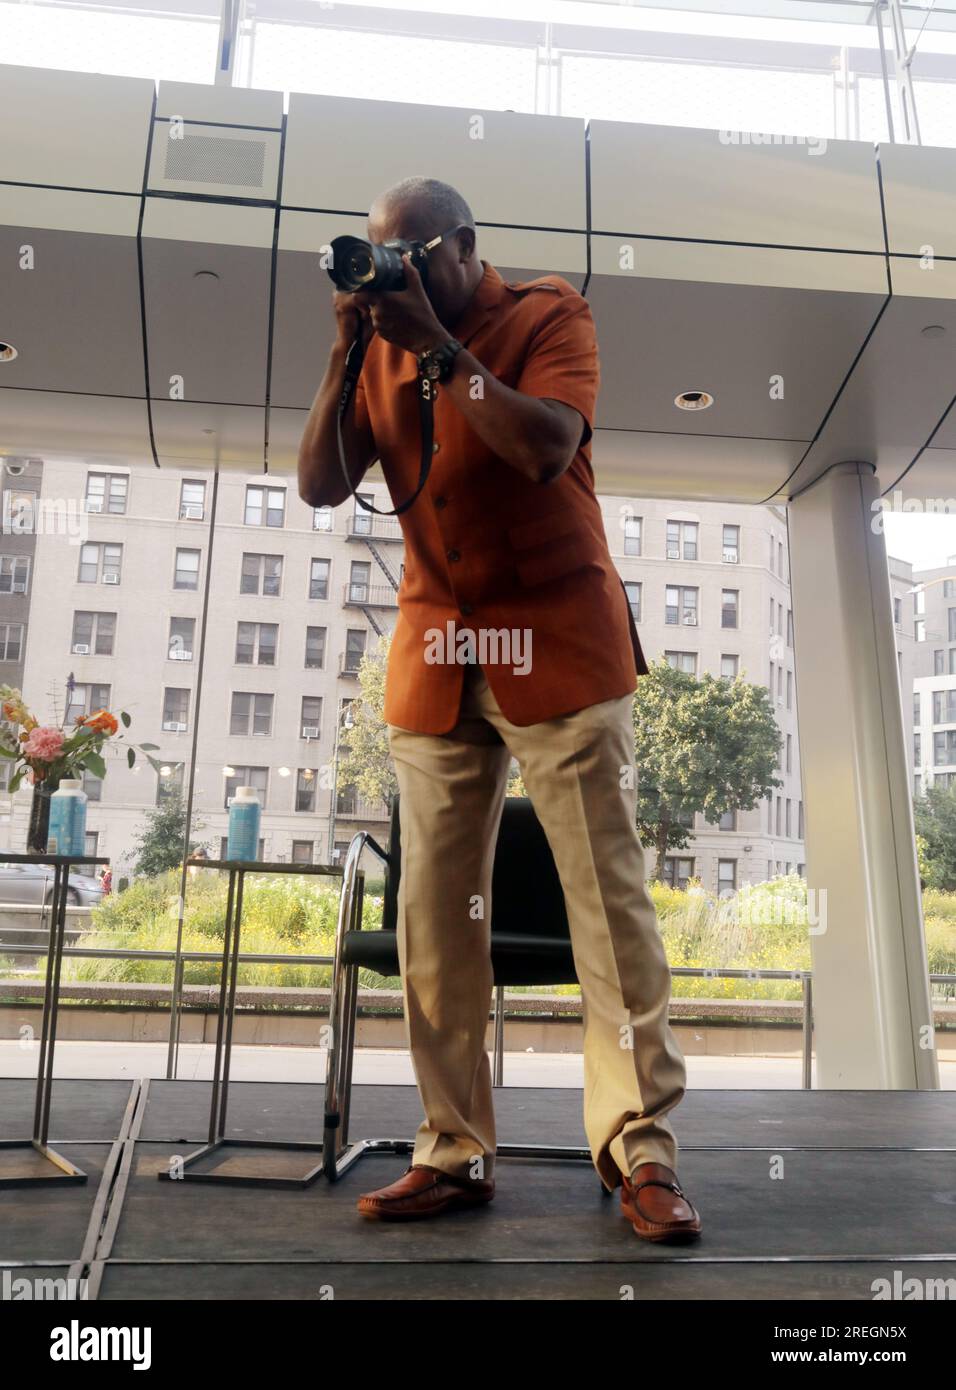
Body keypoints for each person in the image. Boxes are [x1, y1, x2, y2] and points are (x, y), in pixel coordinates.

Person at [298, 176, 701, 1242]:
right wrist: (349, 351)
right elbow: (317, 485)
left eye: (414, 252)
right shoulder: (376, 345)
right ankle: (452, 1148)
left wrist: (436, 346)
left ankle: (637, 1150)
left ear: (465, 245)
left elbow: (543, 446)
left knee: (606, 911)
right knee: (431, 920)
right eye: (381, 256)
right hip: (436, 651)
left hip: (559, 642)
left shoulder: (548, 312)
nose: (397, 271)